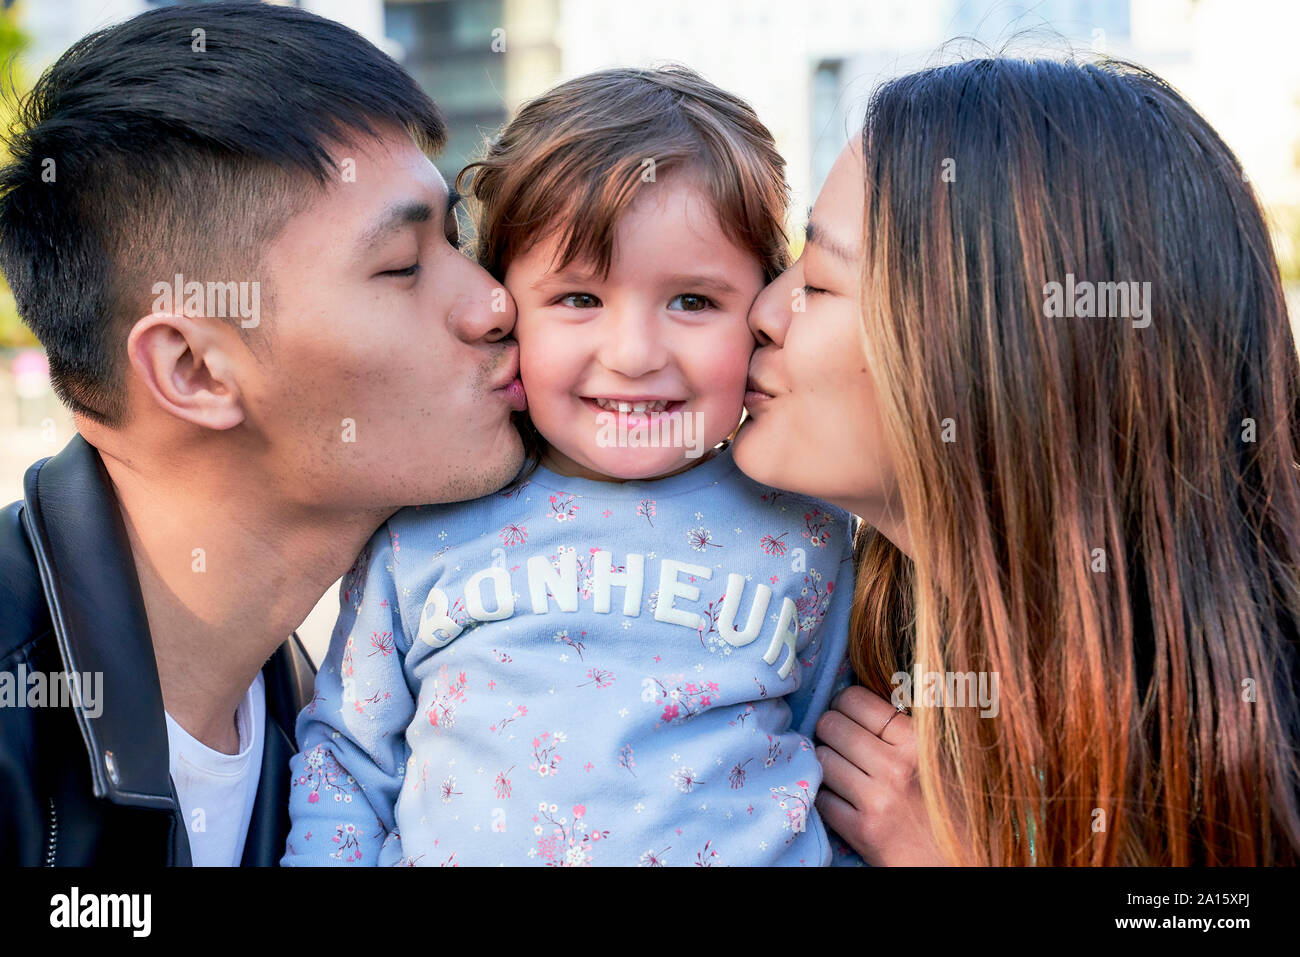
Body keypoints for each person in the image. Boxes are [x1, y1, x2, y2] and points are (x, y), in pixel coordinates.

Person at [280, 67, 857, 867]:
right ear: (503, 305)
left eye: (693, 300)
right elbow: (347, 764)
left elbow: (841, 776)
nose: (633, 355)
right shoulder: (422, 525)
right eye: (579, 300)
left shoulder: (807, 530)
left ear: (760, 308)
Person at [734, 56, 1300, 865]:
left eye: (818, 283)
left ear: (989, 351)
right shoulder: (836, 635)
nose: (760, 312)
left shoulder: (1259, 720)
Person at [0, 2, 524, 865]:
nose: (492, 302)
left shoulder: (340, 737)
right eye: (402, 268)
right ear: (194, 370)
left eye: (456, 238)